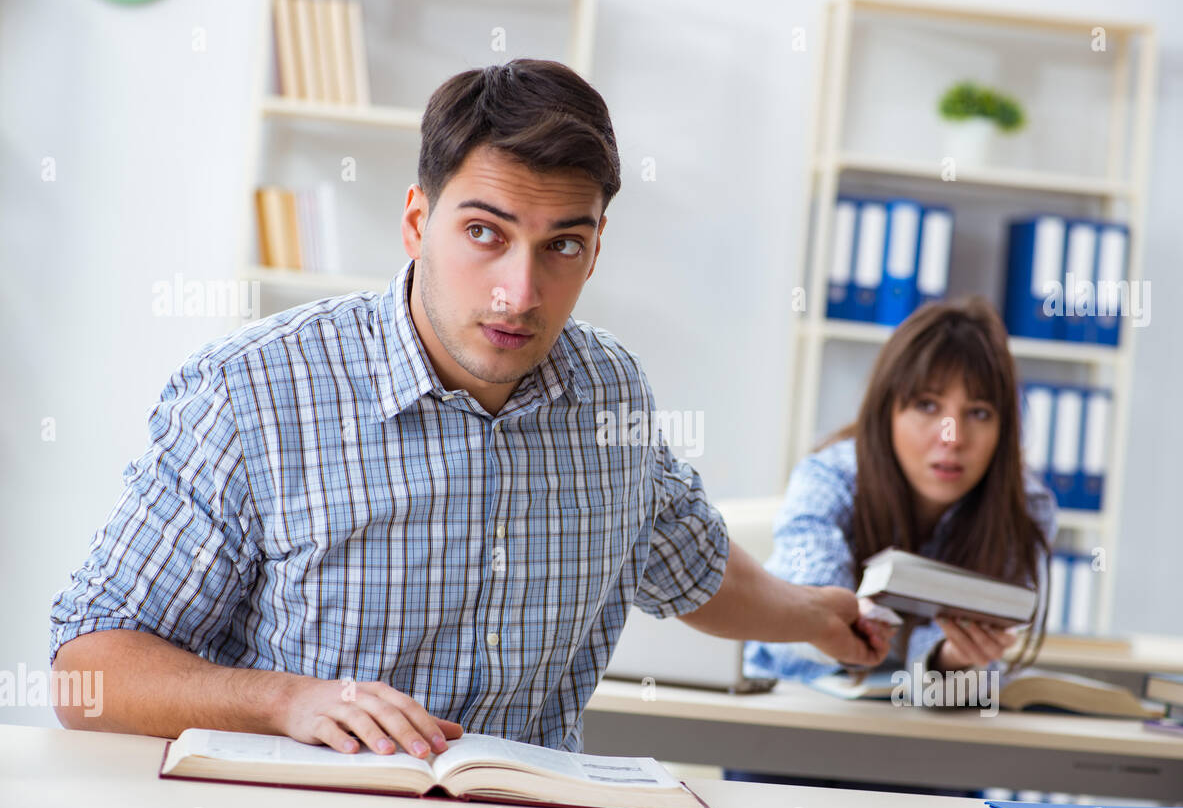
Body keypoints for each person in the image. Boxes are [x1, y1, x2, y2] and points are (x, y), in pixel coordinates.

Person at [49, 59, 891, 758]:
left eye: (562, 244)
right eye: (485, 232)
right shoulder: (252, 390)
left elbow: (689, 564)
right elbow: (86, 670)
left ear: (595, 251)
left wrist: (825, 617)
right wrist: (286, 701)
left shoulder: (611, 394)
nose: (519, 292)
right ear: (417, 222)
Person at [730, 297, 1058, 790]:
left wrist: (948, 660)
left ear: (1005, 429)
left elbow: (973, 677)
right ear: (886, 410)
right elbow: (803, 605)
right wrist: (834, 624)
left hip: (932, 754)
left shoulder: (1024, 507)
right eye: (927, 406)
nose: (952, 437)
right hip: (794, 741)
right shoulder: (829, 474)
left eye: (979, 412)